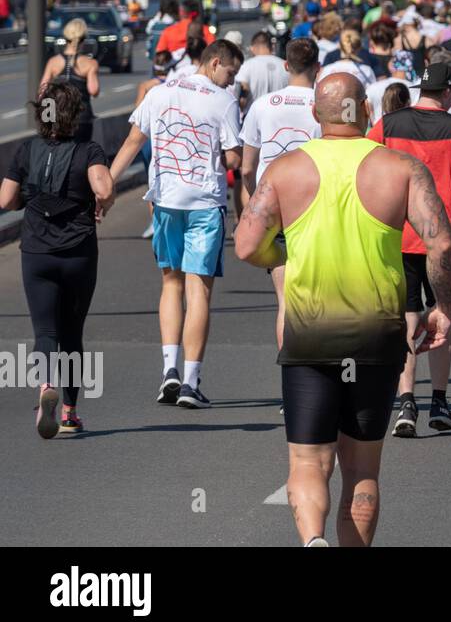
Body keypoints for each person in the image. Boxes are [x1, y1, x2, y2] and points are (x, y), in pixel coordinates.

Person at [234, 73, 451, 547]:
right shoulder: (401, 168)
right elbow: (441, 243)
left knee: (308, 463)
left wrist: (283, 257)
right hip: (377, 336)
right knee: (361, 470)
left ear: (315, 114)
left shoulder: (284, 169)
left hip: (309, 333)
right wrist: (442, 307)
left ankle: (312, 538)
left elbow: (247, 245)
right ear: (368, 114)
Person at [108, 39, 244, 408]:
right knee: (199, 290)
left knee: (171, 284)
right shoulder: (224, 101)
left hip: (165, 200)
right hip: (203, 203)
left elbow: (134, 141)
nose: (231, 82)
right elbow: (233, 160)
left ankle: (168, 370)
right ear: (215, 63)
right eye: (230, 73)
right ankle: (190, 381)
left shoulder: (160, 91)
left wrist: (106, 184)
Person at [369, 61, 451, 434]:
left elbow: (365, 164)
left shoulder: (390, 123)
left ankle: (405, 404)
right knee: (442, 318)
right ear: (449, 91)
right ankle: (439, 402)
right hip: (441, 236)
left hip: (398, 233)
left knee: (408, 317)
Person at [1, 82, 115, 438]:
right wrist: (99, 203)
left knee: (46, 330)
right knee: (72, 331)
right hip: (78, 252)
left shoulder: (26, 151)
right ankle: (68, 413)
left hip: (37, 252)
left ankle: (45, 384)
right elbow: (105, 188)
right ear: (74, 116)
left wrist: (29, 199)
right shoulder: (88, 150)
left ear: (41, 113)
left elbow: (5, 200)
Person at [240, 39, 322, 351]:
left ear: (286, 66)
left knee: (285, 298)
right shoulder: (323, 105)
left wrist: (256, 200)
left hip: (274, 207)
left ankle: (292, 387)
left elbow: (247, 168)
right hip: (314, 206)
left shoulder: (262, 105)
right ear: (318, 67)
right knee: (318, 295)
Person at [39, 17, 99, 144]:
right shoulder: (90, 63)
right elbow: (93, 90)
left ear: (65, 38)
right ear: (84, 39)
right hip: (81, 118)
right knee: (80, 154)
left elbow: (42, 92)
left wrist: (47, 119)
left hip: (59, 118)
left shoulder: (53, 62)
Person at [234, 31, 289, 111]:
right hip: (280, 117)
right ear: (272, 47)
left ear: (252, 48)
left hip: (254, 118)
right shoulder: (285, 66)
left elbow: (242, 98)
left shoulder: (246, 66)